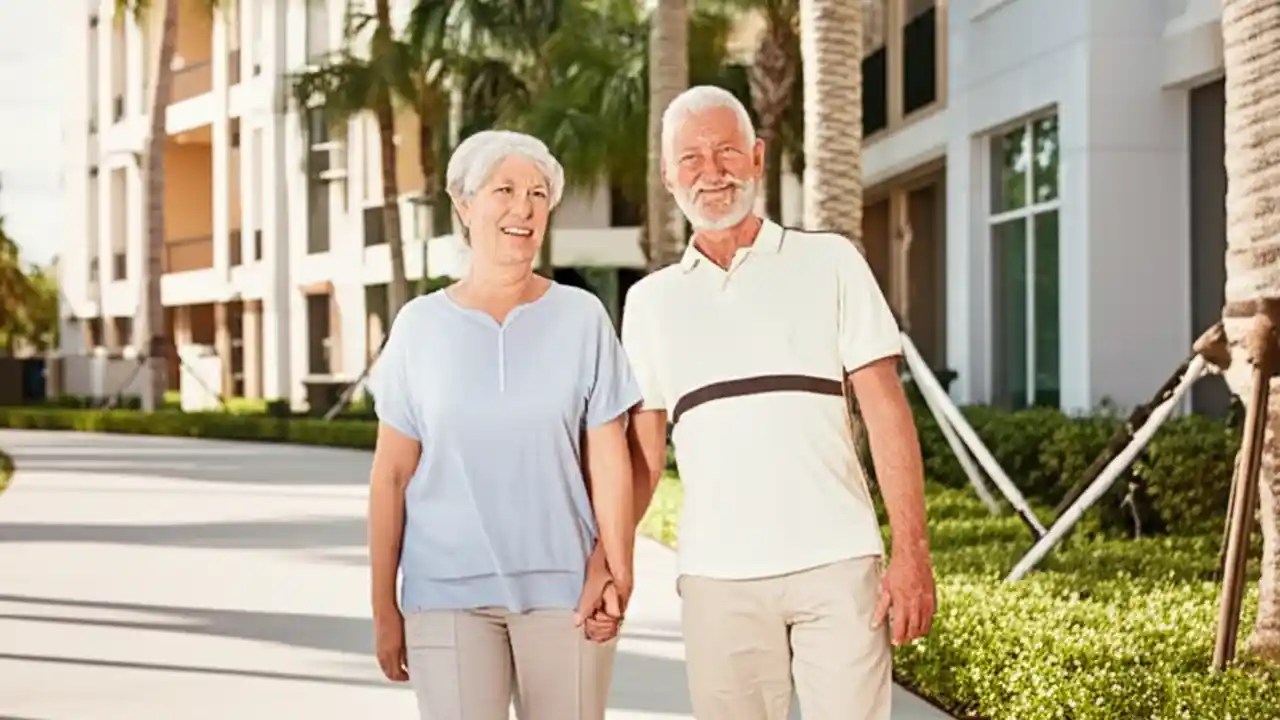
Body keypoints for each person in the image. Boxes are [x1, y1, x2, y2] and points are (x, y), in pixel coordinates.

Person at [621, 86, 937, 720]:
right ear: (667, 176)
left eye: (727, 151)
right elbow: (644, 457)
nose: (712, 172)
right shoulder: (649, 302)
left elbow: (885, 413)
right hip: (718, 578)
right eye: (691, 158)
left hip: (838, 566)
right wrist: (608, 559)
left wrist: (912, 554)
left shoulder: (832, 261)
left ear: (758, 158)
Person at [365, 129, 641, 720]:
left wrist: (616, 567)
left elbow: (610, 458)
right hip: (445, 595)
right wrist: (384, 608)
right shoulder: (419, 327)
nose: (524, 208)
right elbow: (390, 477)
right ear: (464, 206)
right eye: (505, 189)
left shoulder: (582, 316)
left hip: (567, 592)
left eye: (539, 194)